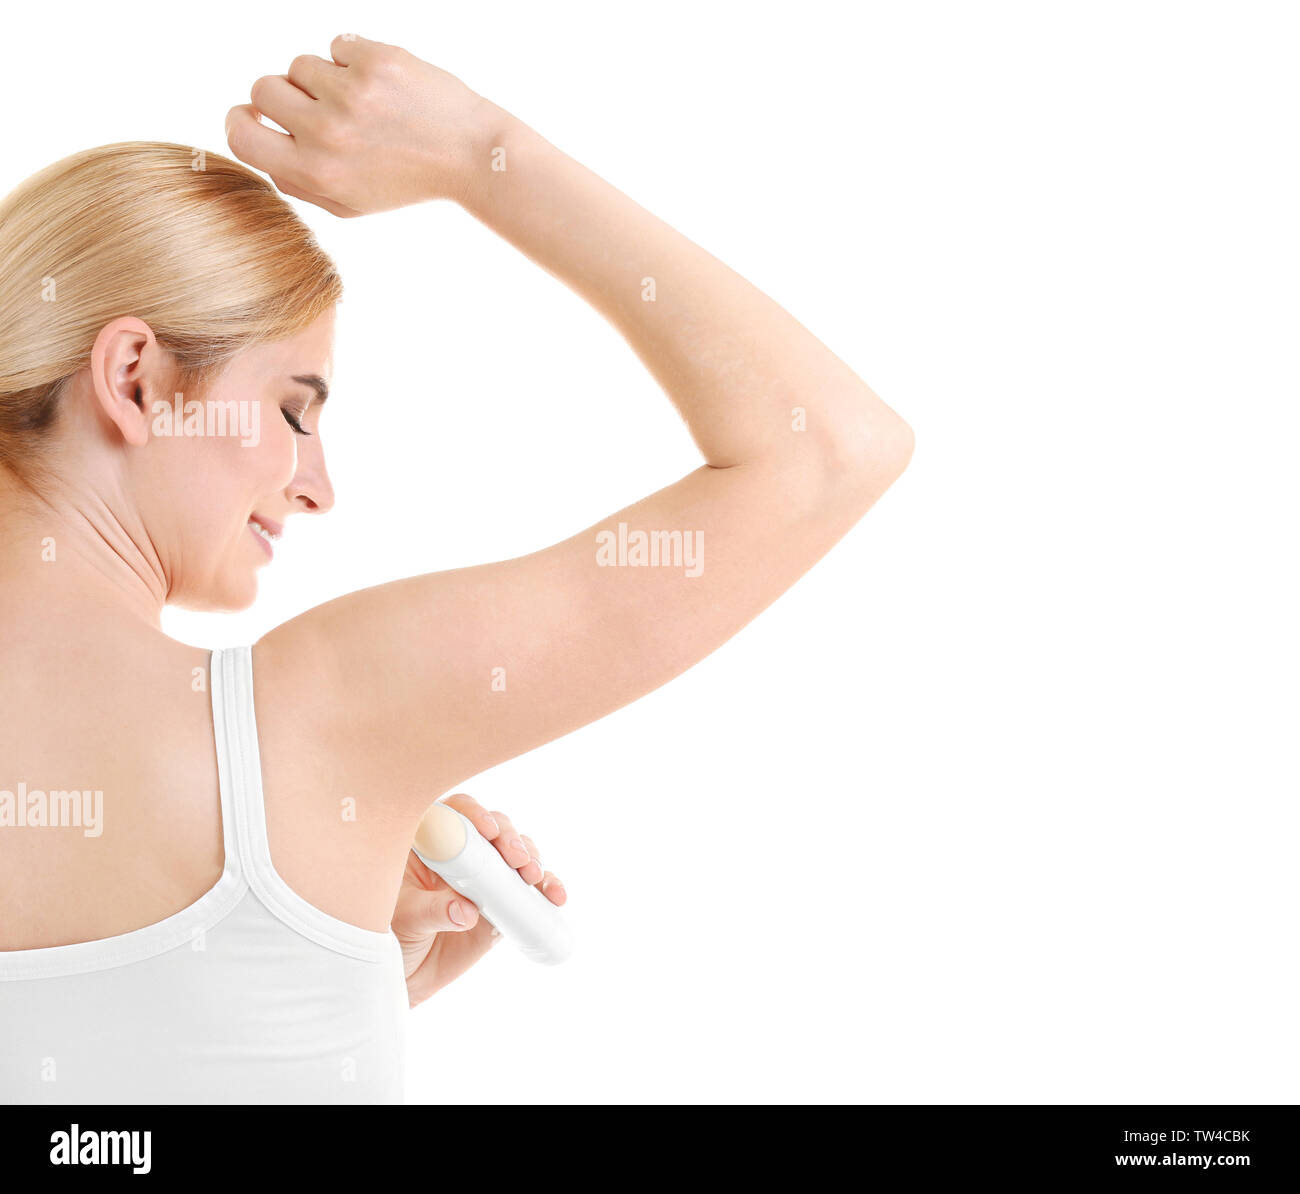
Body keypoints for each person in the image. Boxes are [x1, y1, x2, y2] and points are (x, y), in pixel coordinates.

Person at [0, 34, 913, 1103]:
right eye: (295, 408)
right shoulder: (318, 714)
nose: (316, 485)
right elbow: (828, 450)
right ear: (138, 378)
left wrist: (305, 991)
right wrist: (481, 151)